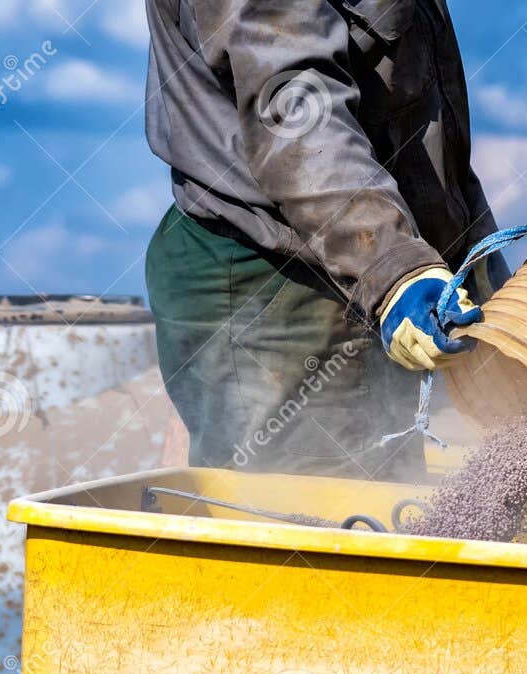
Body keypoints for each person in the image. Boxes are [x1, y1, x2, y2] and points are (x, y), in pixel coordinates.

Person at [143, 0, 507, 480]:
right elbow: (295, 105)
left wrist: (475, 260)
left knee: (383, 505)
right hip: (279, 283)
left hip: (365, 266)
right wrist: (393, 264)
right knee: (313, 522)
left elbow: (417, 133)